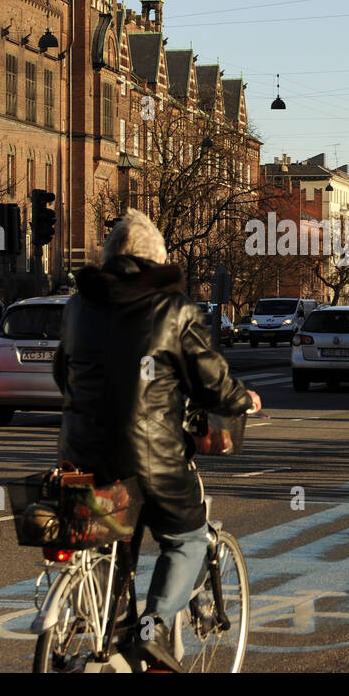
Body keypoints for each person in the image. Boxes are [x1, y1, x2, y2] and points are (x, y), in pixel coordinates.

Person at [53, 208, 260, 672]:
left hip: (81, 456)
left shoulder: (77, 306)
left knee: (107, 535)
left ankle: (100, 631)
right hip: (152, 459)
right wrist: (242, 399)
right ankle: (153, 627)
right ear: (156, 260)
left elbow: (62, 374)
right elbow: (211, 383)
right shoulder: (175, 310)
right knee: (187, 537)